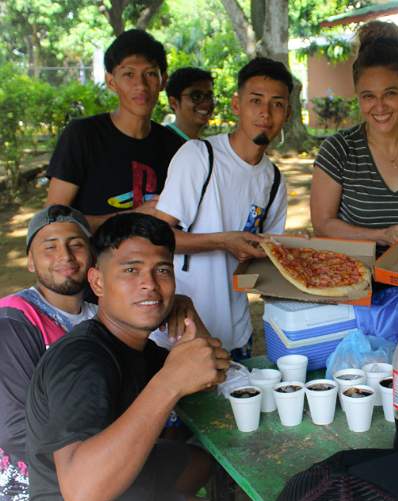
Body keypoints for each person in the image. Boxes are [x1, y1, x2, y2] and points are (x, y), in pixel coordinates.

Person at [0, 206, 207, 501]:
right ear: (97, 282)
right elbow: (82, 495)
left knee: (202, 463)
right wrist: (168, 384)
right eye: (131, 270)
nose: (149, 283)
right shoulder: (74, 356)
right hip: (68, 493)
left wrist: (187, 312)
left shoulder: (121, 336)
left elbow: (207, 369)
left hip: (111, 475)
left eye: (162, 270)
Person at [154, 57, 290, 360]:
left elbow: (262, 260)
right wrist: (222, 240)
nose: (265, 113)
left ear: (288, 112)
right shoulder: (199, 156)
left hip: (237, 336)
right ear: (236, 104)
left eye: (277, 103)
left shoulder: (275, 181)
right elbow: (157, 237)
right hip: (178, 335)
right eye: (256, 100)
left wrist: (291, 250)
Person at [311, 21, 398, 252]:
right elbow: (322, 223)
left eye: (390, 93)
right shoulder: (338, 149)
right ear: (358, 96)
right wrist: (380, 236)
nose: (379, 107)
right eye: (369, 96)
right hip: (353, 275)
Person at [45, 29, 184, 231]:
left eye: (150, 74)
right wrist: (133, 217)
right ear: (111, 82)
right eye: (128, 74)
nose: (141, 85)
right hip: (96, 260)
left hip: (157, 262)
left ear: (163, 81)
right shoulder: (82, 136)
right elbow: (54, 220)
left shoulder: (175, 147)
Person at [165, 67, 215, 141]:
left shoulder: (205, 147)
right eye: (197, 96)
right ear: (173, 102)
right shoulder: (160, 142)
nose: (206, 103)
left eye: (209, 96)